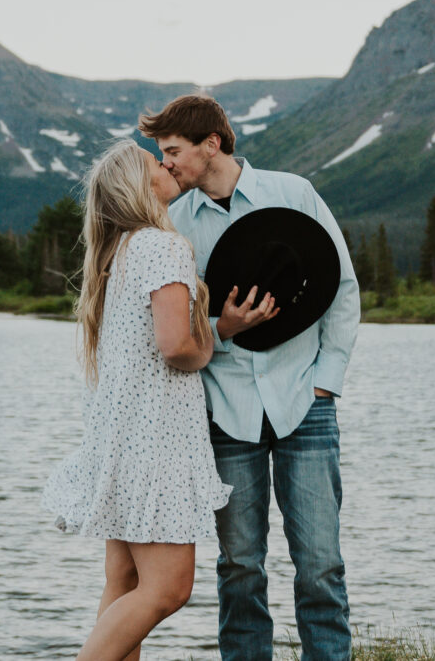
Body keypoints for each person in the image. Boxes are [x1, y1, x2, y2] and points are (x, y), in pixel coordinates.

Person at [143, 94, 360, 661]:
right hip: (224, 411)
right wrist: (224, 324)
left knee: (320, 564)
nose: (165, 164)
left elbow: (342, 289)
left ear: (211, 144)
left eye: (172, 152)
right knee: (239, 567)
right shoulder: (176, 225)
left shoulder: (294, 194)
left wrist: (325, 382)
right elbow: (175, 325)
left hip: (304, 405)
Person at [42, 139, 234, 661]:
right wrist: (212, 341)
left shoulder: (116, 253)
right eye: (156, 162)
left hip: (118, 440)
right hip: (156, 442)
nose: (167, 164)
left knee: (125, 581)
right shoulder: (161, 245)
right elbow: (175, 347)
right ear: (141, 184)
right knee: (168, 589)